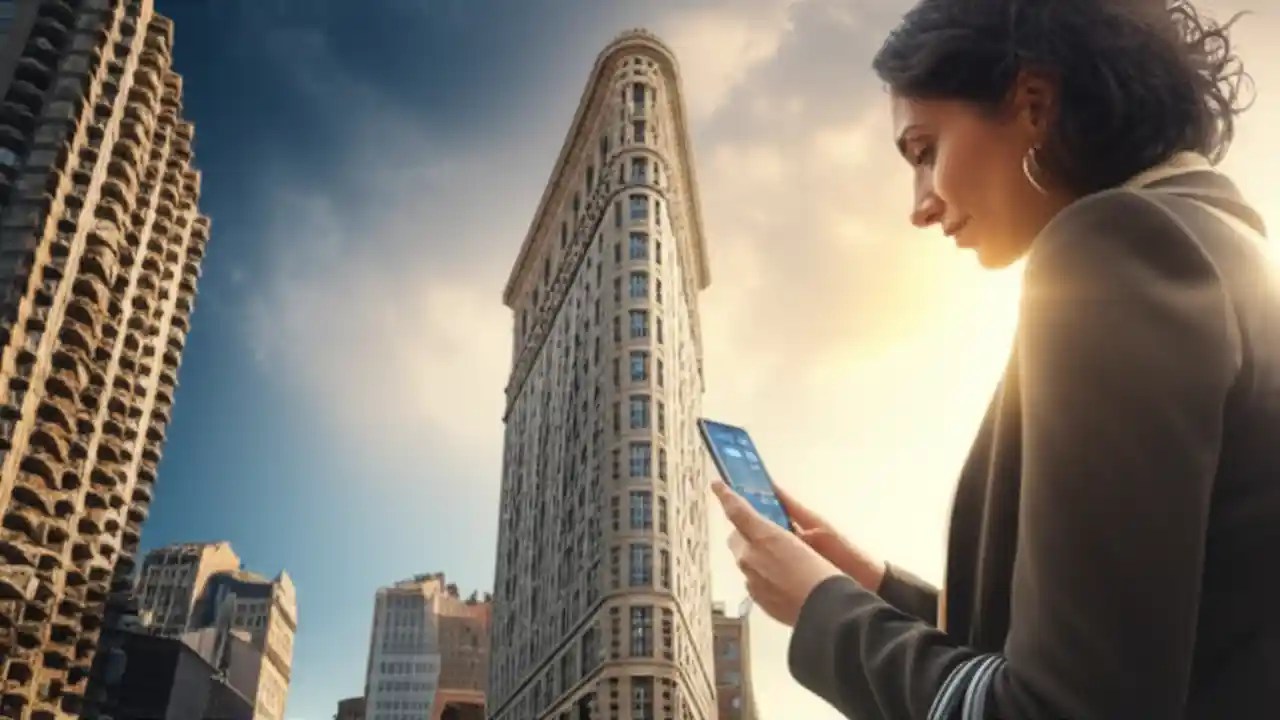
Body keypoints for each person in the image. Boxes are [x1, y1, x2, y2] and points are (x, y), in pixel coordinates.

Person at [711, 1, 1279, 718]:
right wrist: (871, 587)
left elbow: (1059, 707)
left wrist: (823, 610)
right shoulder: (1218, 242)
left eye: (924, 151)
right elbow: (1119, 644)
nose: (920, 205)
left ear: (1033, 104)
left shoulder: (1116, 249)